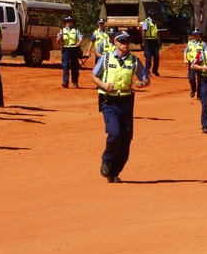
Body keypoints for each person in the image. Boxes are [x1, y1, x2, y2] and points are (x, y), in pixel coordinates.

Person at [92, 31, 150, 183]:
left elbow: (145, 78)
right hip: (109, 101)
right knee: (115, 133)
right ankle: (106, 159)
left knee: (126, 138)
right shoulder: (106, 58)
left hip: (126, 100)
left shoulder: (134, 61)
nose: (125, 44)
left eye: (127, 42)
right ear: (115, 43)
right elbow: (94, 76)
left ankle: (114, 171)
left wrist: (142, 83)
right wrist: (104, 85)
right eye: (122, 41)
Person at [56, 16, 83, 88]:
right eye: (67, 21)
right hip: (65, 50)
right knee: (65, 66)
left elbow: (81, 38)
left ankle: (75, 82)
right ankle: (65, 82)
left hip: (74, 49)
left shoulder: (76, 30)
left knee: (75, 67)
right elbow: (58, 41)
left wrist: (79, 43)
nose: (69, 23)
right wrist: (59, 37)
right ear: (65, 23)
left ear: (72, 22)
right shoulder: (62, 30)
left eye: (70, 21)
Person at [184, 29, 205, 98]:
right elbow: (185, 52)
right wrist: (185, 59)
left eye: (197, 34)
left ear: (199, 35)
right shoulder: (189, 43)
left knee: (200, 79)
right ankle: (193, 90)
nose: (195, 36)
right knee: (191, 78)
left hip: (200, 63)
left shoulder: (203, 44)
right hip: (192, 63)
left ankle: (199, 94)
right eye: (194, 35)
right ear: (192, 36)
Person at [142, 10, 161, 76]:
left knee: (157, 57)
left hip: (154, 41)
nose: (156, 16)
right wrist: (143, 42)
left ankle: (155, 70)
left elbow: (155, 32)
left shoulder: (154, 22)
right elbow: (144, 32)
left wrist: (158, 40)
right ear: (151, 15)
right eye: (154, 14)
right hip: (148, 41)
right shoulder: (147, 22)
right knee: (148, 57)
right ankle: (147, 71)